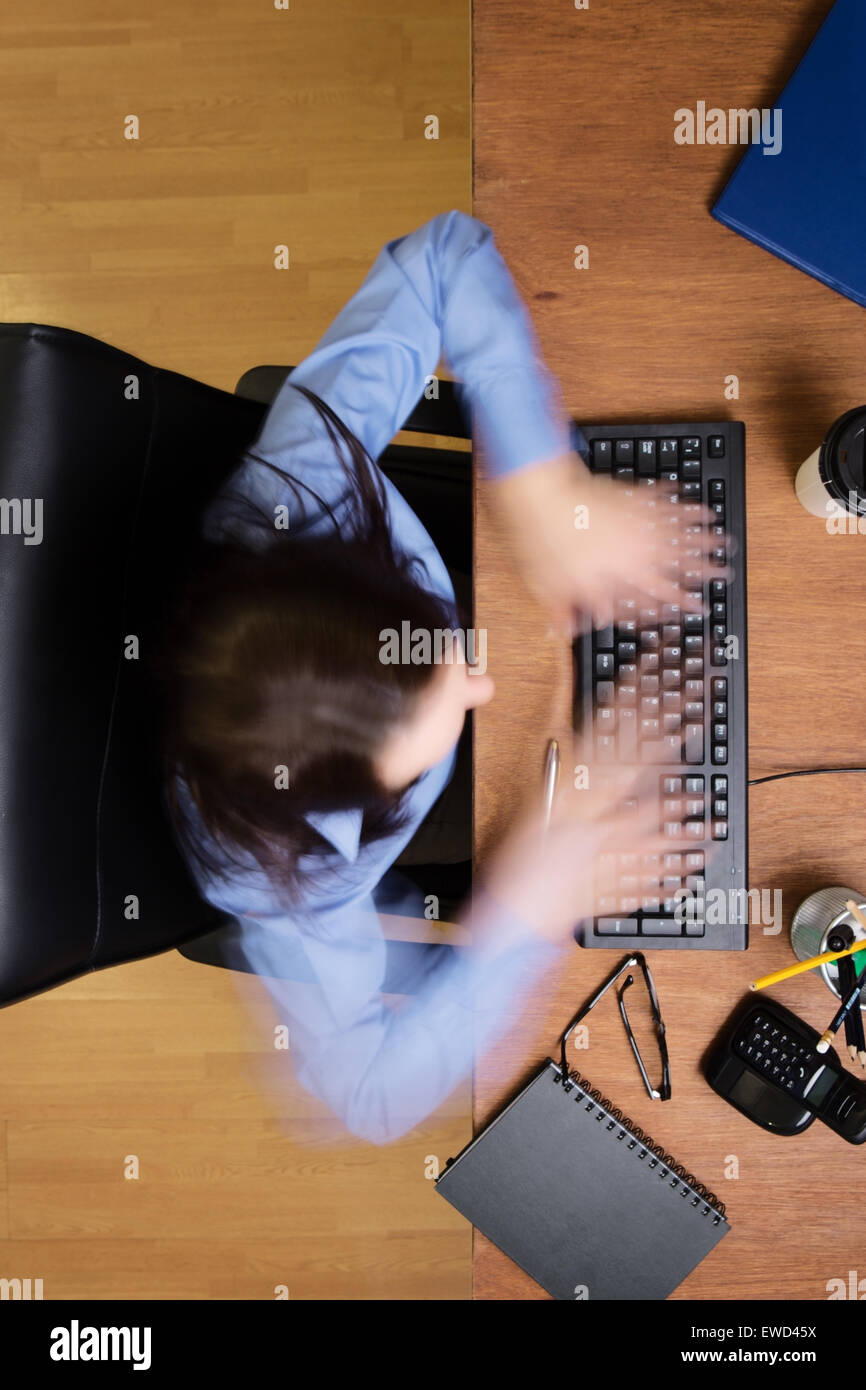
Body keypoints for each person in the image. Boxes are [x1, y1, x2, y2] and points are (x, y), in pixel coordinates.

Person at [149, 209, 717, 1145]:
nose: (481, 682)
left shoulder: (294, 492)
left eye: (430, 652)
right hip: (436, 851)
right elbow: (367, 1098)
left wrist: (545, 487)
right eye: (435, 721)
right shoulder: (285, 880)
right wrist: (522, 917)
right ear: (358, 797)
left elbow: (443, 254)